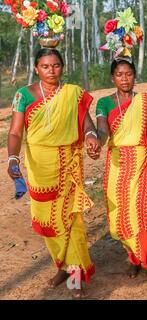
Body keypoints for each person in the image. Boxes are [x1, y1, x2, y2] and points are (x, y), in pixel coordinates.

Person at [7, 48, 99, 298]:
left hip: (69, 164)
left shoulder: (73, 94)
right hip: (39, 166)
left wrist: (91, 136)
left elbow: (86, 123)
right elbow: (16, 132)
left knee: (71, 220)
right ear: (37, 68)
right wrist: (12, 158)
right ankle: (62, 265)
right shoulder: (23, 95)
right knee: (46, 221)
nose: (51, 70)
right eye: (45, 66)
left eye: (56, 65)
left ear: (62, 66)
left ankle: (76, 275)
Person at [96, 58, 147, 280]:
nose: (124, 78)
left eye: (128, 74)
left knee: (145, 212)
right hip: (119, 165)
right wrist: (96, 142)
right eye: (119, 74)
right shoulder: (105, 103)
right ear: (113, 78)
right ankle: (133, 257)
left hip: (144, 162)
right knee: (123, 216)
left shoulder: (146, 101)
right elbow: (102, 131)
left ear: (134, 76)